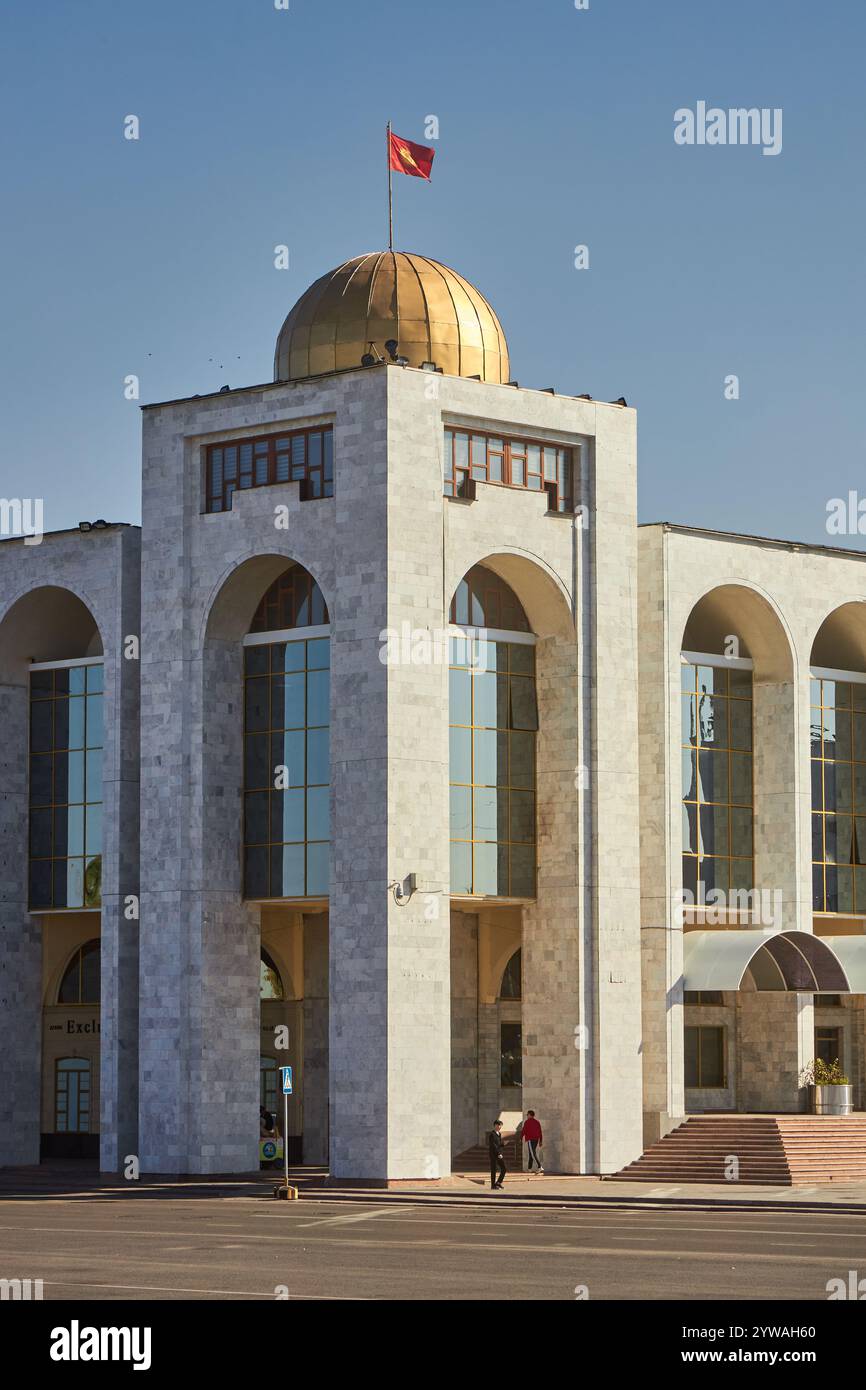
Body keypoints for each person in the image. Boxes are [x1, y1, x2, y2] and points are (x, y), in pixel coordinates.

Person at [488, 1119, 507, 1190]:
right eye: (498, 1125)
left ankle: (498, 1182)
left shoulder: (499, 1134)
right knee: (494, 1170)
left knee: (504, 1169)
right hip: (493, 1155)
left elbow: (498, 1144)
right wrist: (499, 1153)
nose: (499, 1126)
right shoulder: (492, 1134)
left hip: (499, 1154)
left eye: (500, 1125)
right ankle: (493, 1185)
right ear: (495, 1125)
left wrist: (503, 1144)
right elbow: (493, 1145)